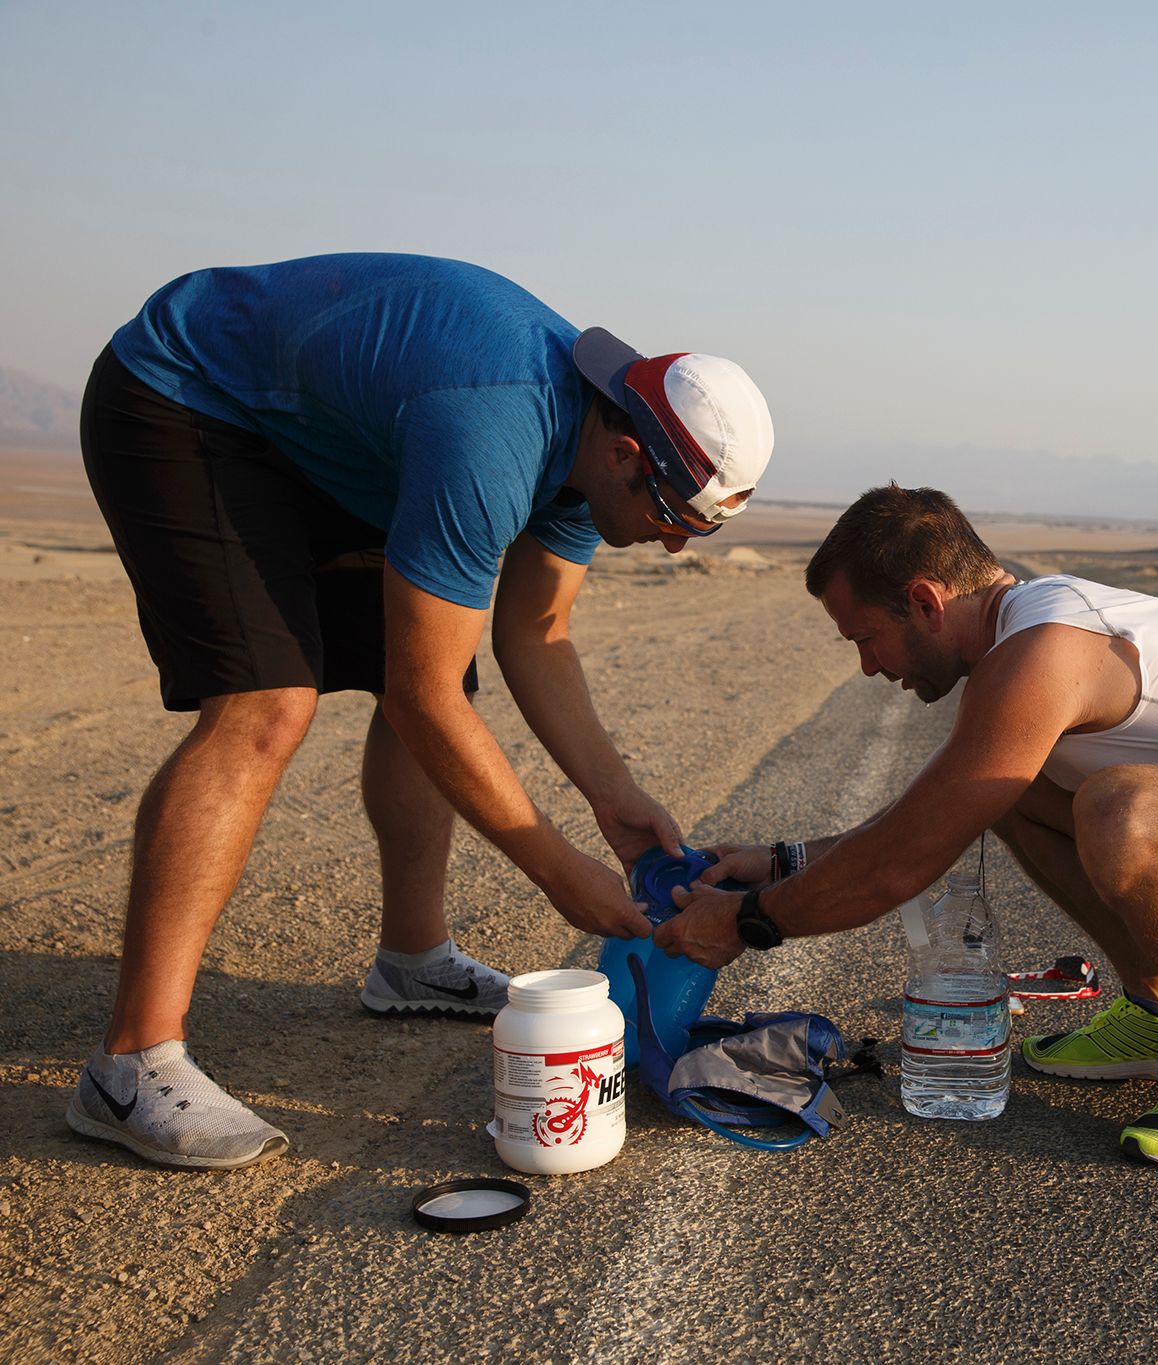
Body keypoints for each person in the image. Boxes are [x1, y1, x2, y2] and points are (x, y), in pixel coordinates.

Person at [67, 253, 773, 1170]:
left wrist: (613, 797)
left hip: (319, 439)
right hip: (186, 399)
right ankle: (130, 1064)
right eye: (679, 515)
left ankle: (411, 959)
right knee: (268, 704)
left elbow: (537, 634)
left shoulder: (593, 446)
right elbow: (420, 698)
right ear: (626, 456)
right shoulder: (496, 429)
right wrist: (558, 870)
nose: (679, 543)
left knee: (448, 677)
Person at [665, 484, 1158, 1167]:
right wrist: (784, 859)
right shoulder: (1021, 637)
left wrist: (745, 922)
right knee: (1010, 793)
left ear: (925, 603)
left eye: (864, 638)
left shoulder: (1046, 648)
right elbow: (929, 819)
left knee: (1120, 812)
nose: (867, 666)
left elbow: (900, 865)